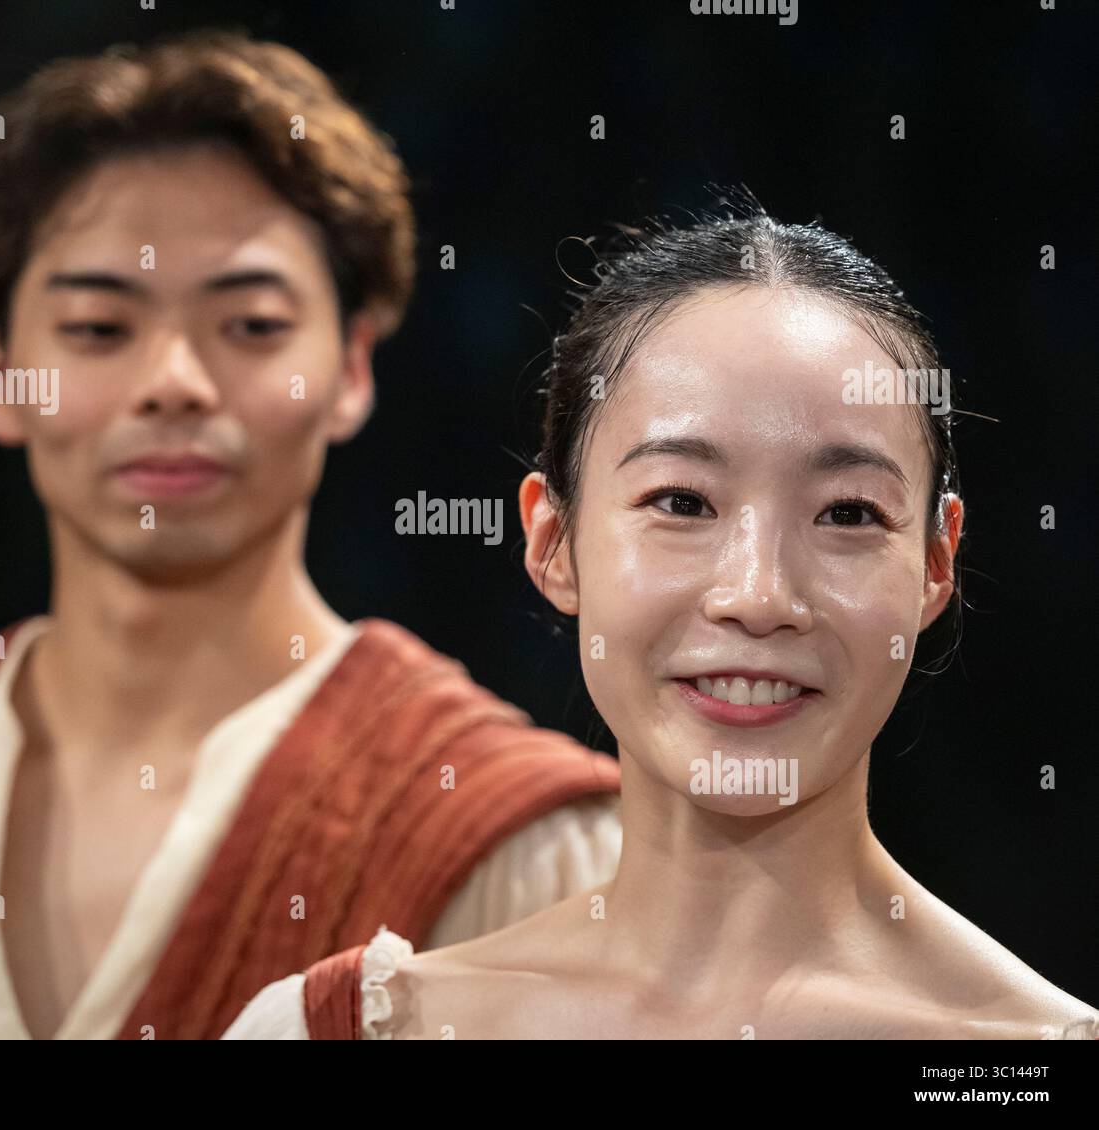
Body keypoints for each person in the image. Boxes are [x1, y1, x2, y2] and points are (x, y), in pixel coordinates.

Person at [0, 31, 621, 1041]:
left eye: (250, 326)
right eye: (100, 328)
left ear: (353, 363)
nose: (175, 380)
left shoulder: (513, 834)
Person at [226, 207, 1099, 1039]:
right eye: (682, 501)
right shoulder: (341, 1027)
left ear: (936, 563)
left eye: (847, 515)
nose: (758, 595)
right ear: (554, 540)